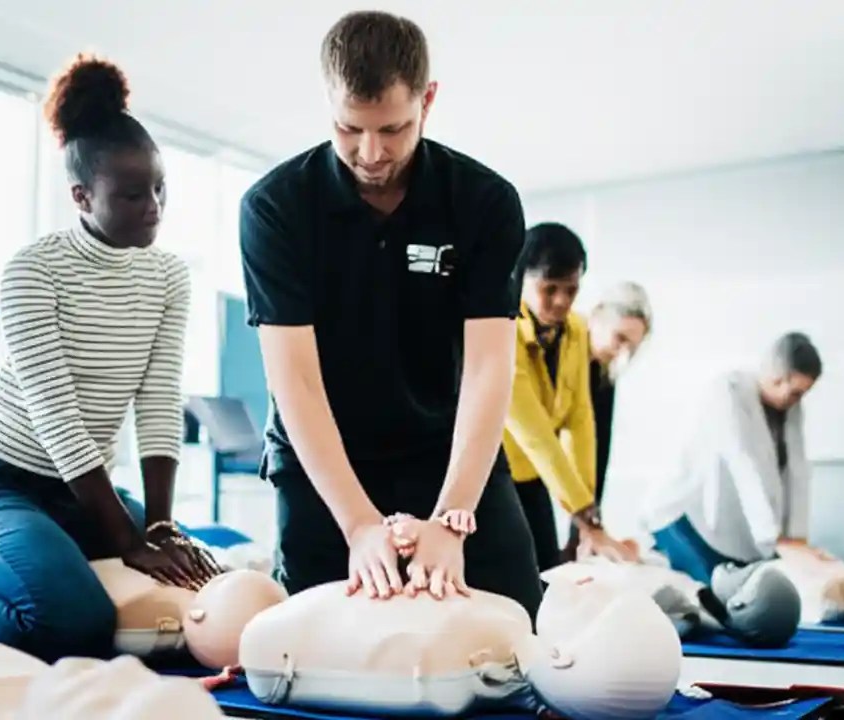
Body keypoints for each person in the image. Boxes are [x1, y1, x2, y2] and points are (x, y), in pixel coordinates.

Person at [239, 11, 543, 618]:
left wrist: (452, 521)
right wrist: (358, 525)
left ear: (428, 102)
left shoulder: (485, 201)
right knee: (322, 633)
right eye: (348, 128)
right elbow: (294, 379)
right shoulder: (275, 208)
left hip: (444, 446)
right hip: (323, 455)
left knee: (516, 620)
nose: (371, 153)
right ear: (327, 102)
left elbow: (488, 370)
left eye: (394, 129)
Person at [0, 55, 220, 663]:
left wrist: (157, 527)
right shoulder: (33, 270)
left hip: (79, 493)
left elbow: (159, 399)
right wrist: (123, 542)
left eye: (161, 189)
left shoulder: (168, 275)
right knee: (76, 621)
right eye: (133, 194)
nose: (154, 207)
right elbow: (57, 416)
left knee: (203, 582)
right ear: (81, 195)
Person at [504, 223, 638, 572]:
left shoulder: (577, 330)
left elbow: (580, 420)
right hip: (492, 475)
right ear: (521, 279)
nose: (561, 301)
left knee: (550, 569)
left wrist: (589, 514)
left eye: (571, 290)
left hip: (532, 475)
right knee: (513, 574)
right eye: (549, 289)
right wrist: (584, 516)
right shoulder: (503, 330)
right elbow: (534, 433)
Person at [646, 332, 822, 582]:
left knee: (749, 602)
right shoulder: (728, 391)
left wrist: (798, 539)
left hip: (739, 532)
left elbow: (798, 472)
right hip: (685, 518)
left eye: (800, 394)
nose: (791, 399)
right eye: (791, 391)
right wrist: (776, 540)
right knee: (713, 603)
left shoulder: (791, 408)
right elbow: (744, 462)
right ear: (775, 374)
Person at [561, 280, 653, 558]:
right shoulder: (559, 347)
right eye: (620, 338)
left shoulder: (603, 374)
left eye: (633, 347)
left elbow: (597, 455)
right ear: (598, 316)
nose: (623, 353)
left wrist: (585, 530)